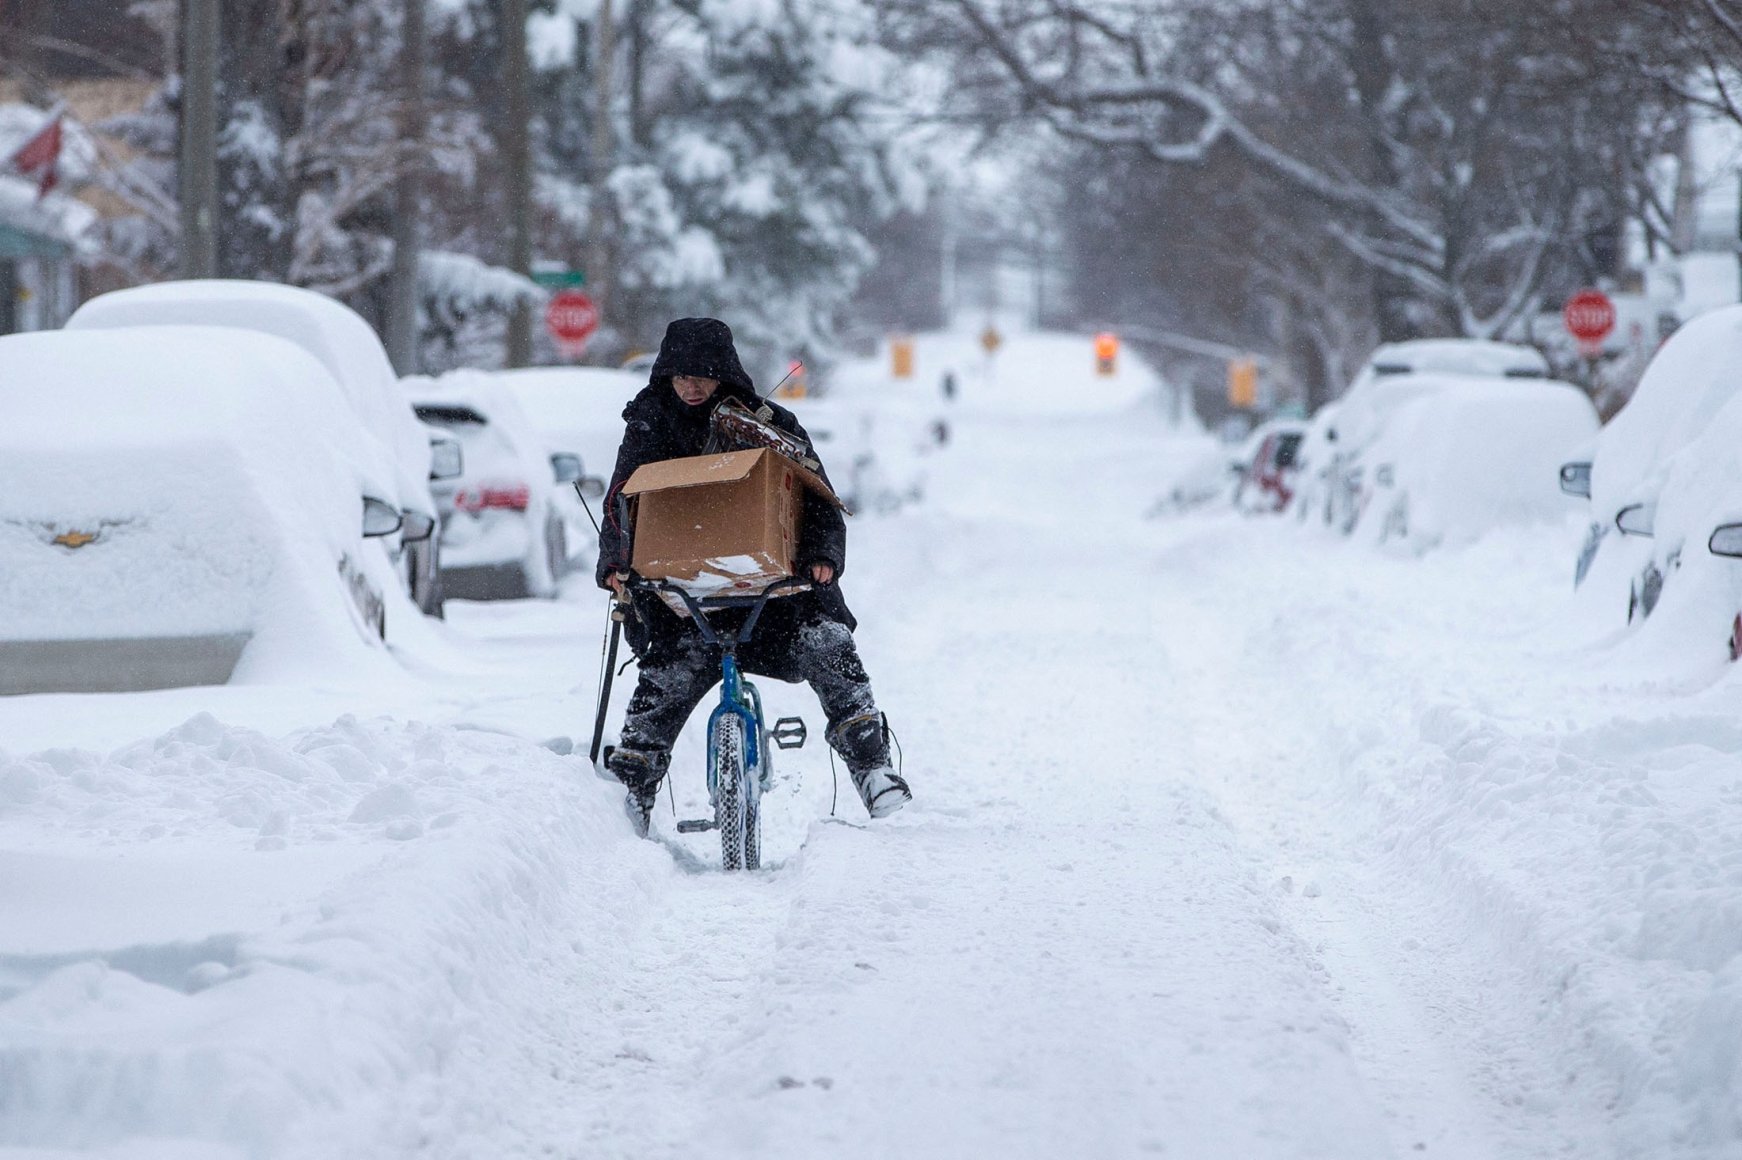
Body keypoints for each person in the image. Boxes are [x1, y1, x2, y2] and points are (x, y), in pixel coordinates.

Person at [596, 317, 912, 836]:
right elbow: (620, 502)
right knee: (661, 687)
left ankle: (874, 771)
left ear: (724, 374)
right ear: (666, 376)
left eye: (702, 376)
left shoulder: (769, 423)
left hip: (775, 606)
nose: (691, 387)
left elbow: (819, 499)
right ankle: (630, 798)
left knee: (828, 647)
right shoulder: (649, 426)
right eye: (681, 377)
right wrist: (614, 563)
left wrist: (822, 556)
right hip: (685, 611)